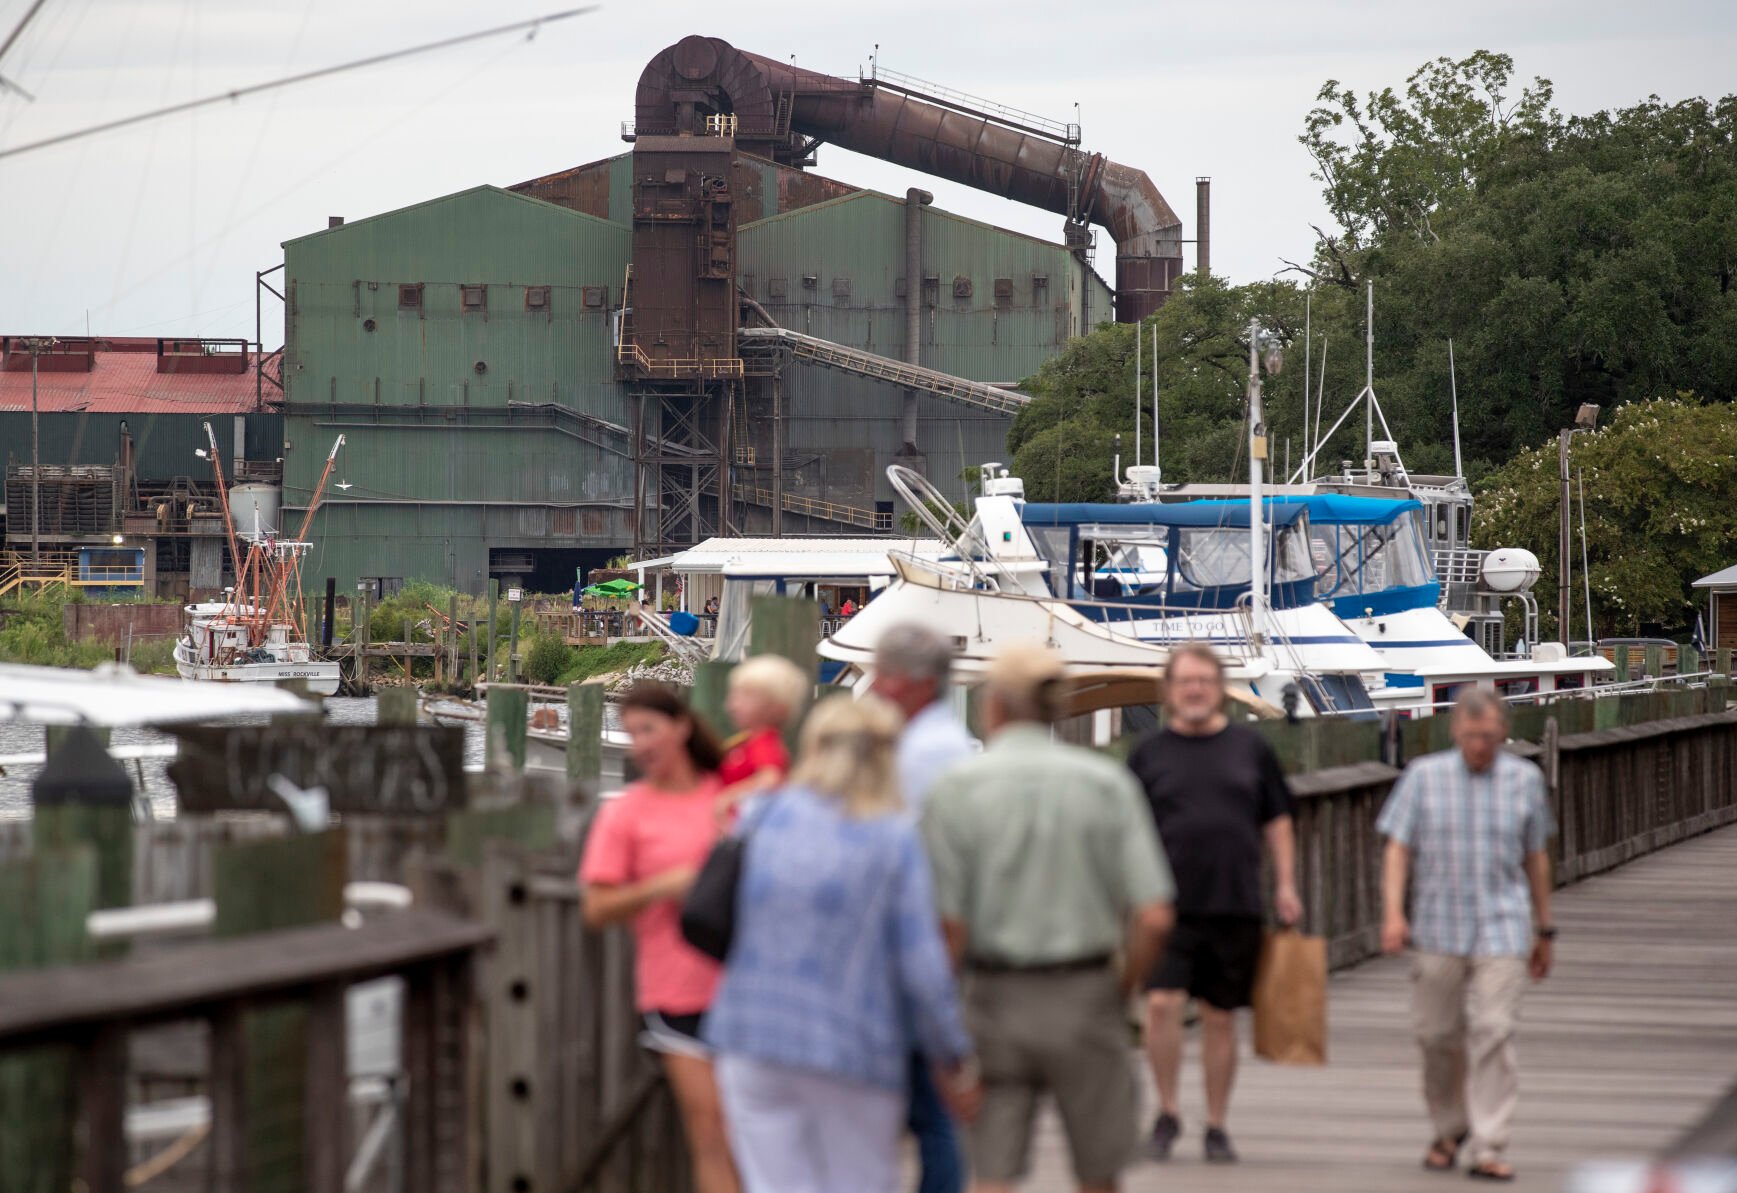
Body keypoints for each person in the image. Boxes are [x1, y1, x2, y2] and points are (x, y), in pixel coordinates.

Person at [923, 643, 1175, 1193]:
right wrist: (1121, 988)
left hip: (993, 997)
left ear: (994, 704)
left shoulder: (956, 789)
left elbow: (949, 927)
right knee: (1098, 1171)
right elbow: (1155, 916)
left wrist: (941, 1026)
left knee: (992, 1170)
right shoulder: (1106, 784)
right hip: (1086, 994)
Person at [704, 695, 979, 1193]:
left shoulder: (762, 814)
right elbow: (921, 964)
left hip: (751, 1035)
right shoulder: (893, 838)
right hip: (851, 1041)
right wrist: (950, 1054)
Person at [1124, 643, 1301, 1163]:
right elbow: (1125, 829)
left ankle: (1216, 1124)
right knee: (1161, 1005)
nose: (1195, 689)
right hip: (1163, 907)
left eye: (1204, 680)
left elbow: (1278, 819)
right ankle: (1167, 1111)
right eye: (1186, 681)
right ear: (1170, 690)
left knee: (1220, 1016)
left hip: (1234, 901)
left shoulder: (1251, 748)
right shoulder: (1148, 753)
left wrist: (1286, 885)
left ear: (1219, 688)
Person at [1378, 689, 1555, 1182]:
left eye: (1489, 736)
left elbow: (1536, 856)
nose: (1480, 745)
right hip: (1438, 924)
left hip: (1504, 923)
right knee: (1436, 1034)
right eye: (1472, 735)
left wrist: (1545, 927)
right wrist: (1392, 913)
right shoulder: (1423, 777)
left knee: (1494, 1029)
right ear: (1456, 731)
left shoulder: (1524, 780)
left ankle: (1489, 1144)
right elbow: (1397, 848)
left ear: (1503, 732)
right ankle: (1449, 1127)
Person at [579, 682, 739, 1193]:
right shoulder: (625, 813)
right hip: (677, 993)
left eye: (649, 729)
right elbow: (596, 908)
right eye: (631, 734)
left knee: (759, 1136)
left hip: (751, 989)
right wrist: (661, 887)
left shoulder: (730, 796)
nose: (640, 743)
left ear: (682, 727)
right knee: (713, 1132)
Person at [871, 623, 979, 1193]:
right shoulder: (938, 742)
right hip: (927, 937)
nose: (874, 685)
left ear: (917, 683)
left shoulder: (923, 752)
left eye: (885, 676)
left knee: (928, 1106)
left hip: (920, 941)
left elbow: (912, 853)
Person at [716, 654, 810, 819]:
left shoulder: (763, 742)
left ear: (777, 706)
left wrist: (727, 798)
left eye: (747, 695)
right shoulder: (747, 741)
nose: (734, 704)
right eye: (735, 694)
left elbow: (770, 780)